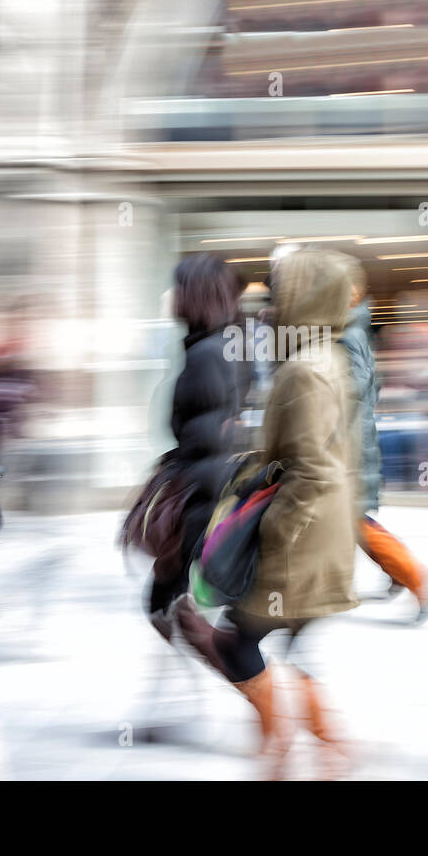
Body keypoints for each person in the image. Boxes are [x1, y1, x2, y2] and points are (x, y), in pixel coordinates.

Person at [213, 248, 359, 780]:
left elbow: (314, 468)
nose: (272, 306)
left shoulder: (306, 368)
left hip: (301, 539)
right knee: (291, 642)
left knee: (235, 640)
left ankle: (282, 749)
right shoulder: (327, 354)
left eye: (280, 294)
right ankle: (327, 747)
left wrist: (275, 529)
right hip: (323, 533)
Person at [140, 254, 248, 669]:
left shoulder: (206, 355)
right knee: (172, 606)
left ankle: (253, 687)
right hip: (210, 496)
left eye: (178, 286)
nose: (170, 295)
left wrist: (190, 532)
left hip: (202, 500)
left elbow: (204, 444)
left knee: (168, 606)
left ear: (194, 295)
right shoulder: (224, 343)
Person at [337, 255, 428, 622]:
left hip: (349, 444)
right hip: (352, 440)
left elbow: (359, 386)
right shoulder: (352, 327)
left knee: (352, 519)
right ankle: (399, 573)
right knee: (352, 519)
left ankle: (416, 578)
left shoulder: (347, 332)